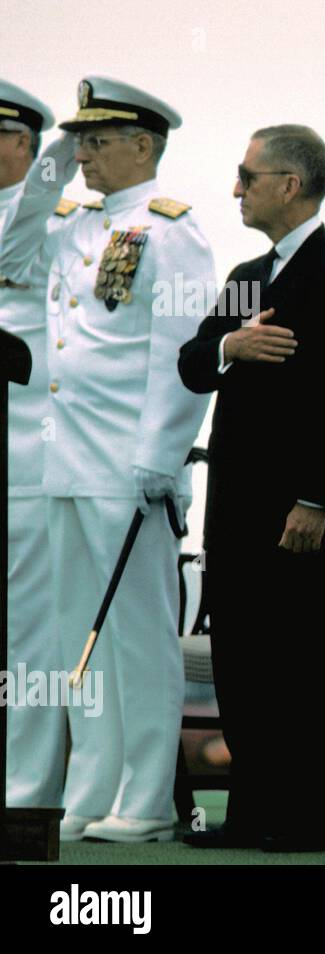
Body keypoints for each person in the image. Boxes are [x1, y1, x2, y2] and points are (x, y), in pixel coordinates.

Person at [0, 76, 214, 842]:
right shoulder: (74, 226)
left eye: (97, 141)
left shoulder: (171, 230)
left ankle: (147, 799)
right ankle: (91, 790)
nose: (86, 154)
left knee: (136, 639)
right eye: (80, 140)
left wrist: (161, 457)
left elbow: (181, 355)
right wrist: (53, 153)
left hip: (128, 467)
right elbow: (13, 241)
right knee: (74, 640)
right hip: (64, 464)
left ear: (143, 146)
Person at [178, 125, 325, 852]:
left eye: (247, 175)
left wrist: (318, 499)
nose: (237, 188)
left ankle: (302, 815)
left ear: (289, 184)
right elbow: (192, 363)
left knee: (296, 657)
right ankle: (255, 808)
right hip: (236, 501)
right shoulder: (247, 278)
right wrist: (232, 346)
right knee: (241, 654)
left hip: (299, 506)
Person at [0, 80, 66, 809]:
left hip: (26, 462)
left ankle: (26, 788)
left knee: (29, 639)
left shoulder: (59, 225)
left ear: (27, 143)